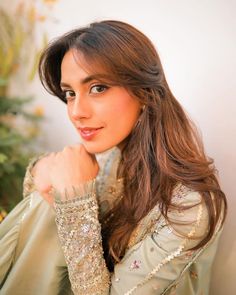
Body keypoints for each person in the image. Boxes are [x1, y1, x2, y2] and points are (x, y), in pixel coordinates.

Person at [0, 20, 227, 295]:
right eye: (70, 93)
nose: (76, 112)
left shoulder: (188, 207)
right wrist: (44, 171)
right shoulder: (108, 158)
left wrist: (75, 202)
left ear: (143, 92)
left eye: (97, 88)